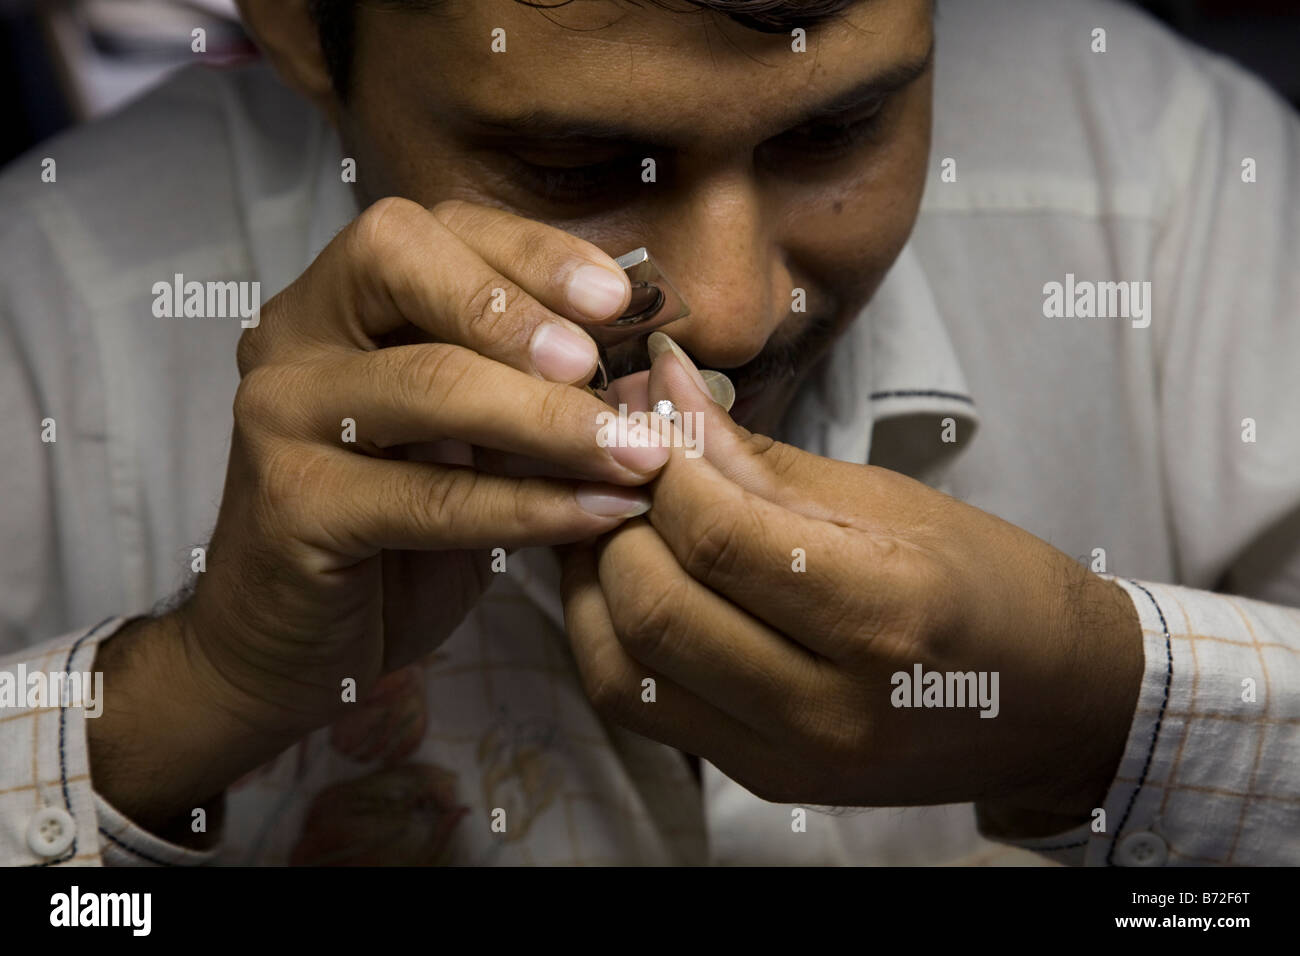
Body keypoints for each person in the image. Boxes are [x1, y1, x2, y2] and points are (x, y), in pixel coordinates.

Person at [0, 0, 1296, 867]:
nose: (729, 314)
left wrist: (1104, 711)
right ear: (295, 26)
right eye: (572, 165)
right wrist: (195, 694)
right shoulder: (43, 307)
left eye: (835, 132)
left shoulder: (1160, 167)